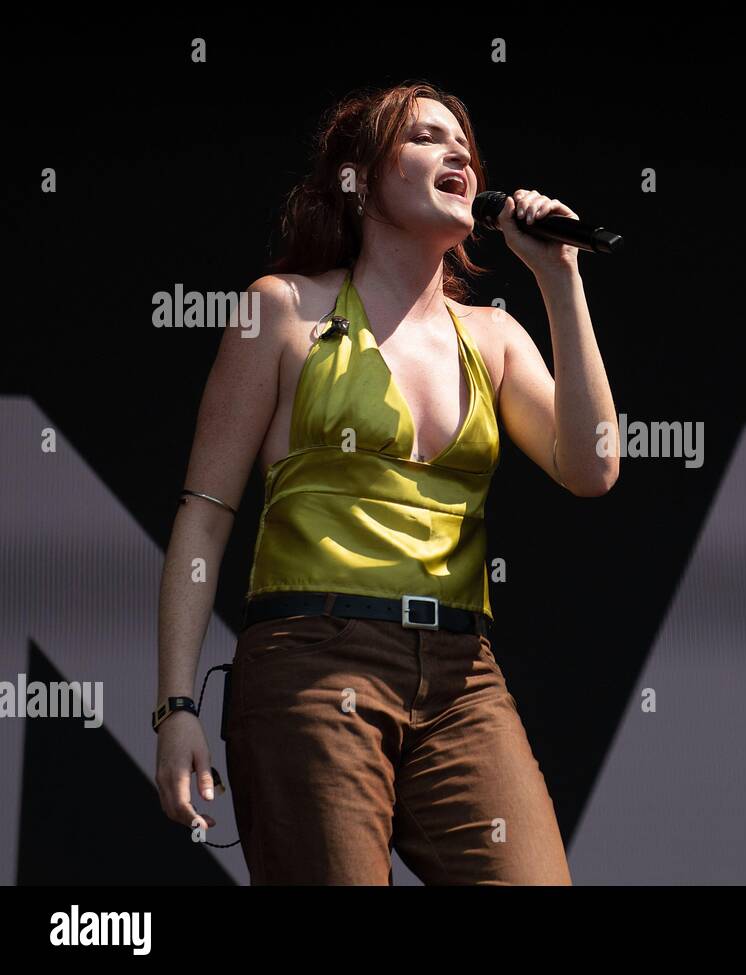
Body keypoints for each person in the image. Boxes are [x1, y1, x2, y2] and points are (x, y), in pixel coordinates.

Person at [153, 80, 618, 884]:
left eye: (464, 143)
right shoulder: (284, 310)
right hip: (311, 659)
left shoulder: (495, 335)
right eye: (427, 138)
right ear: (359, 180)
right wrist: (175, 707)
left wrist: (559, 281)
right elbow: (204, 516)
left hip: (462, 677)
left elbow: (595, 464)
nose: (459, 153)